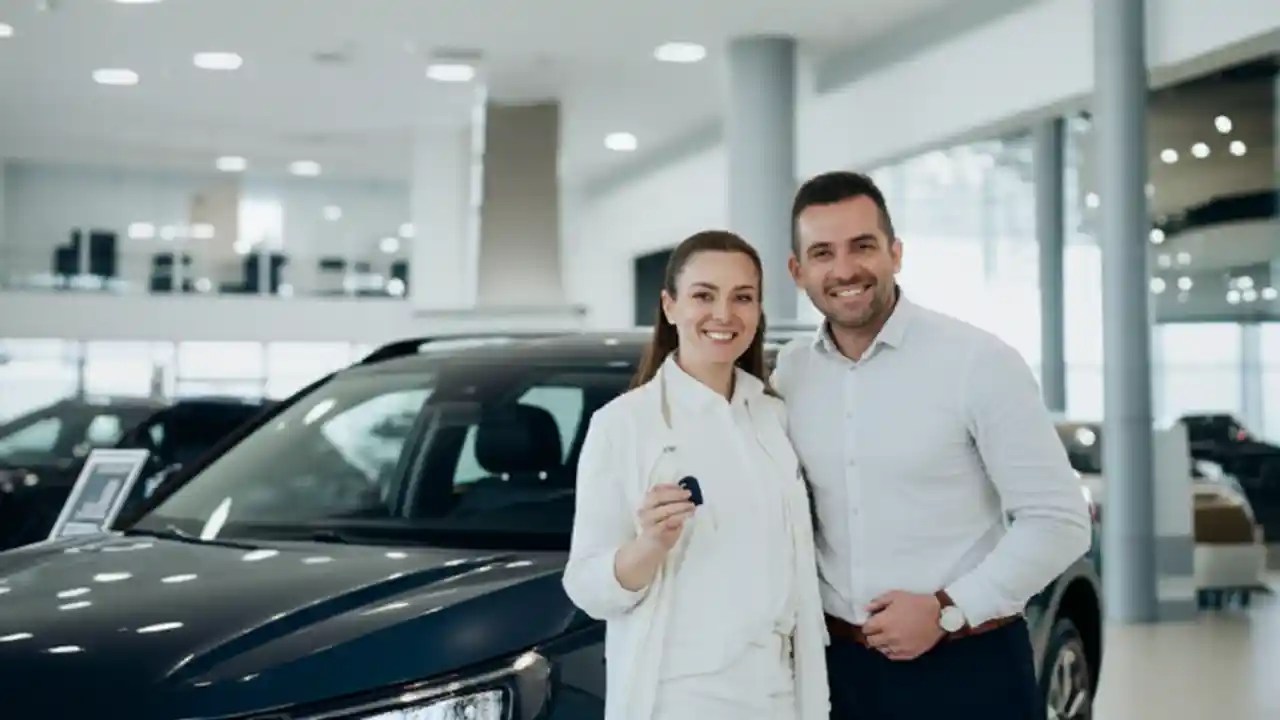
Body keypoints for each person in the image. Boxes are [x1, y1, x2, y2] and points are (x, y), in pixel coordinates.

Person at [771, 171, 1093, 720]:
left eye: (863, 246)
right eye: (823, 253)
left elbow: (1060, 520)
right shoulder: (790, 376)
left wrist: (948, 610)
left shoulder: (977, 362)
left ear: (895, 253)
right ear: (798, 271)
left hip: (968, 666)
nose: (844, 269)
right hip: (836, 678)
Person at [562, 230, 830, 720]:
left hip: (779, 693)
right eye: (704, 295)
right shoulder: (624, 425)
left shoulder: (772, 417)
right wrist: (649, 546)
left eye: (742, 298)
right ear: (669, 306)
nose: (724, 314)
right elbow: (586, 586)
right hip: (679, 698)